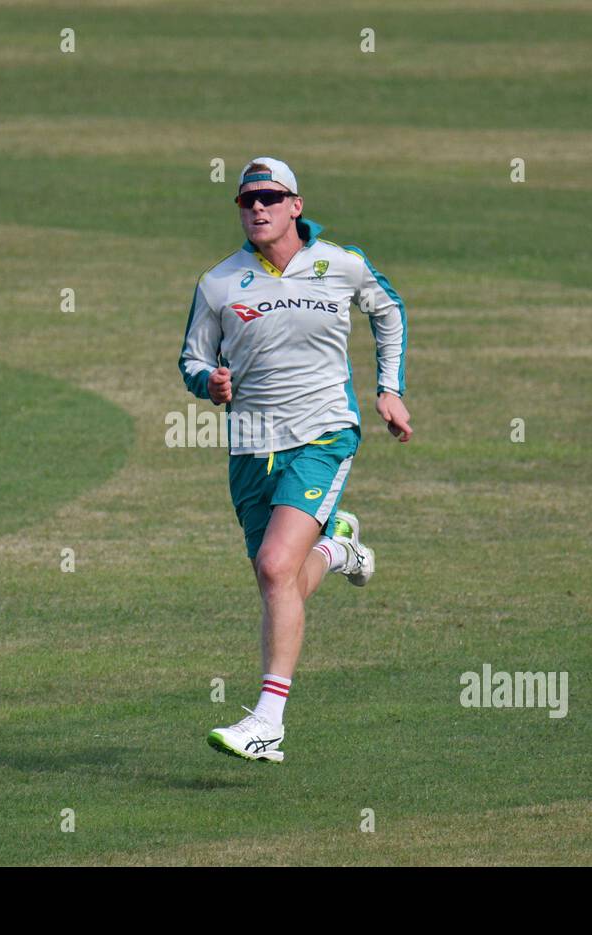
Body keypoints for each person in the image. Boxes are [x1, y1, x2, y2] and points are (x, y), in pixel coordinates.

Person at [178, 157, 411, 762]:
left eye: (270, 198)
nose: (258, 208)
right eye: (247, 200)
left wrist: (390, 390)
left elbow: (389, 310)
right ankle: (338, 550)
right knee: (273, 575)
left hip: (324, 434)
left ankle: (268, 722)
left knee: (277, 567)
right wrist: (211, 385)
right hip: (252, 445)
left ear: (295, 205)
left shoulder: (342, 264)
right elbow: (192, 361)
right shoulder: (218, 283)